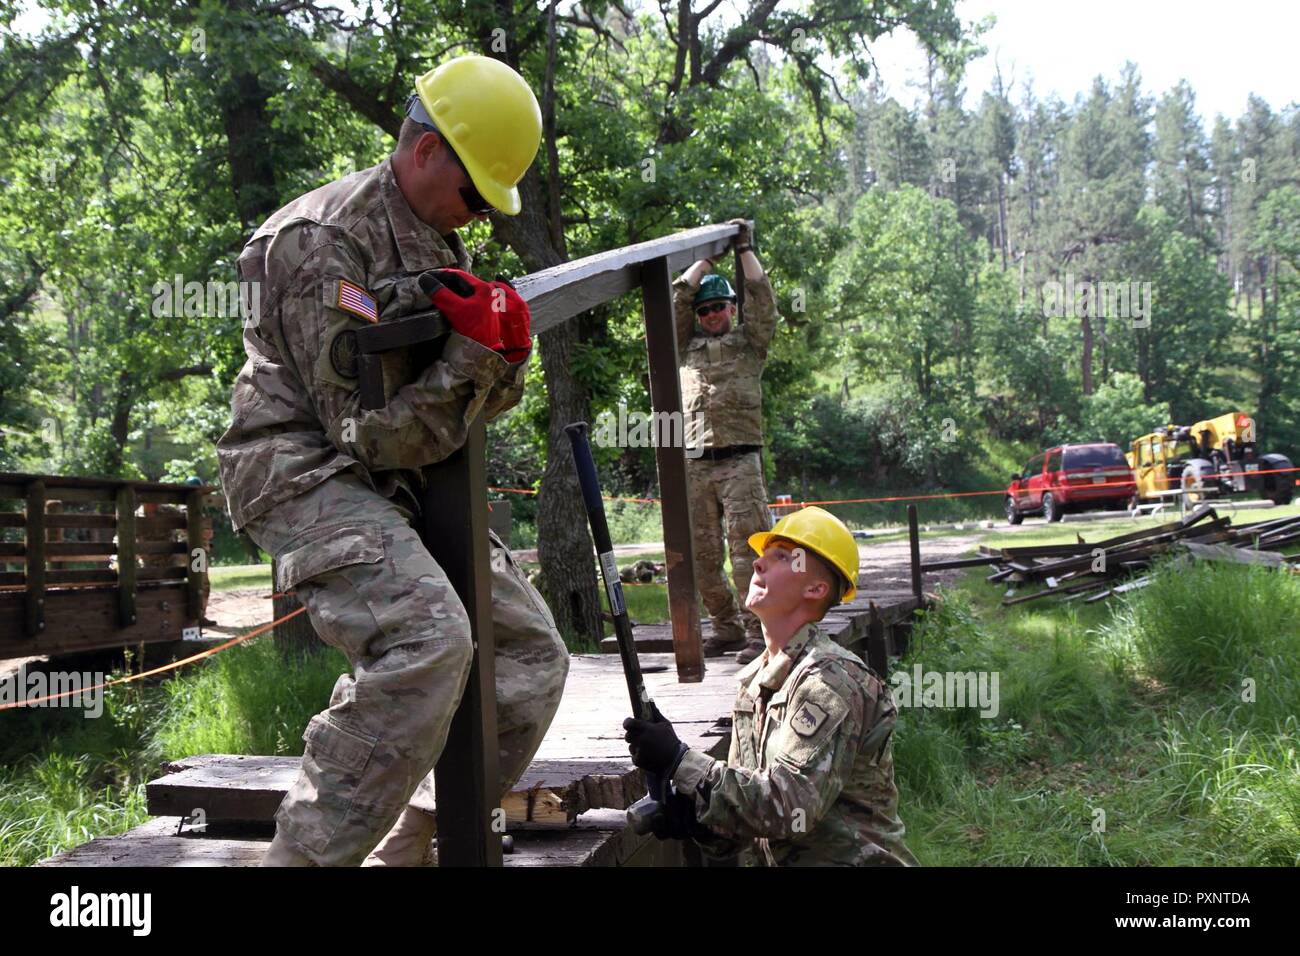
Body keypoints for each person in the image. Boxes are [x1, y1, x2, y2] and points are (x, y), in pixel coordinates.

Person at [216, 55, 569, 867]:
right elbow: (365, 434)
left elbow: (453, 403)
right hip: (303, 473)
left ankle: (406, 845)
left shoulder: (432, 234)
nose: (480, 216)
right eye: (476, 192)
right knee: (430, 641)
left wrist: (498, 357)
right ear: (426, 151)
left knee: (529, 655)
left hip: (403, 478)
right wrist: (475, 361)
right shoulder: (319, 244)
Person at [623, 506, 917, 866]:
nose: (759, 564)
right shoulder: (755, 686)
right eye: (762, 556)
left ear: (816, 588)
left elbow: (792, 807)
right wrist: (697, 818)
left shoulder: (830, 680)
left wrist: (682, 761)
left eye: (781, 557)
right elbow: (748, 828)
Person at [672, 219, 778, 665]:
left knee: (748, 550)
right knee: (700, 557)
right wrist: (707, 257)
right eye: (706, 309)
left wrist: (744, 248)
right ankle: (726, 628)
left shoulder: (749, 344)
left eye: (720, 306)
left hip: (740, 463)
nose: (712, 314)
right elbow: (676, 298)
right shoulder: (682, 347)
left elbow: (763, 301)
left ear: (731, 310)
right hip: (695, 463)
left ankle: (759, 631)